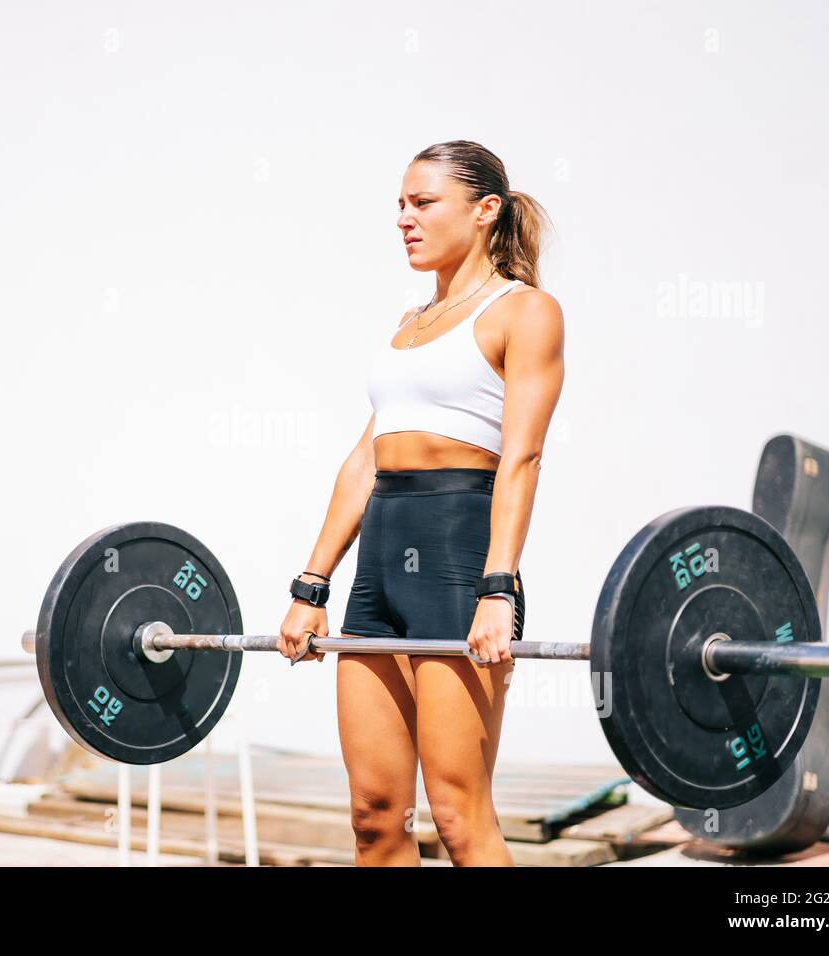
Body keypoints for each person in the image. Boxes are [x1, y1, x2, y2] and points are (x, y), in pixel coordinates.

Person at [277, 140, 565, 866]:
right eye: (400, 205)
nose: (404, 218)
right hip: (379, 564)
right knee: (375, 816)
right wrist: (312, 585)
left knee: (458, 817)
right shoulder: (408, 325)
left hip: (459, 559)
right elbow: (366, 457)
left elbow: (523, 457)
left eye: (423, 202)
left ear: (484, 211)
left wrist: (498, 586)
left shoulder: (523, 312)